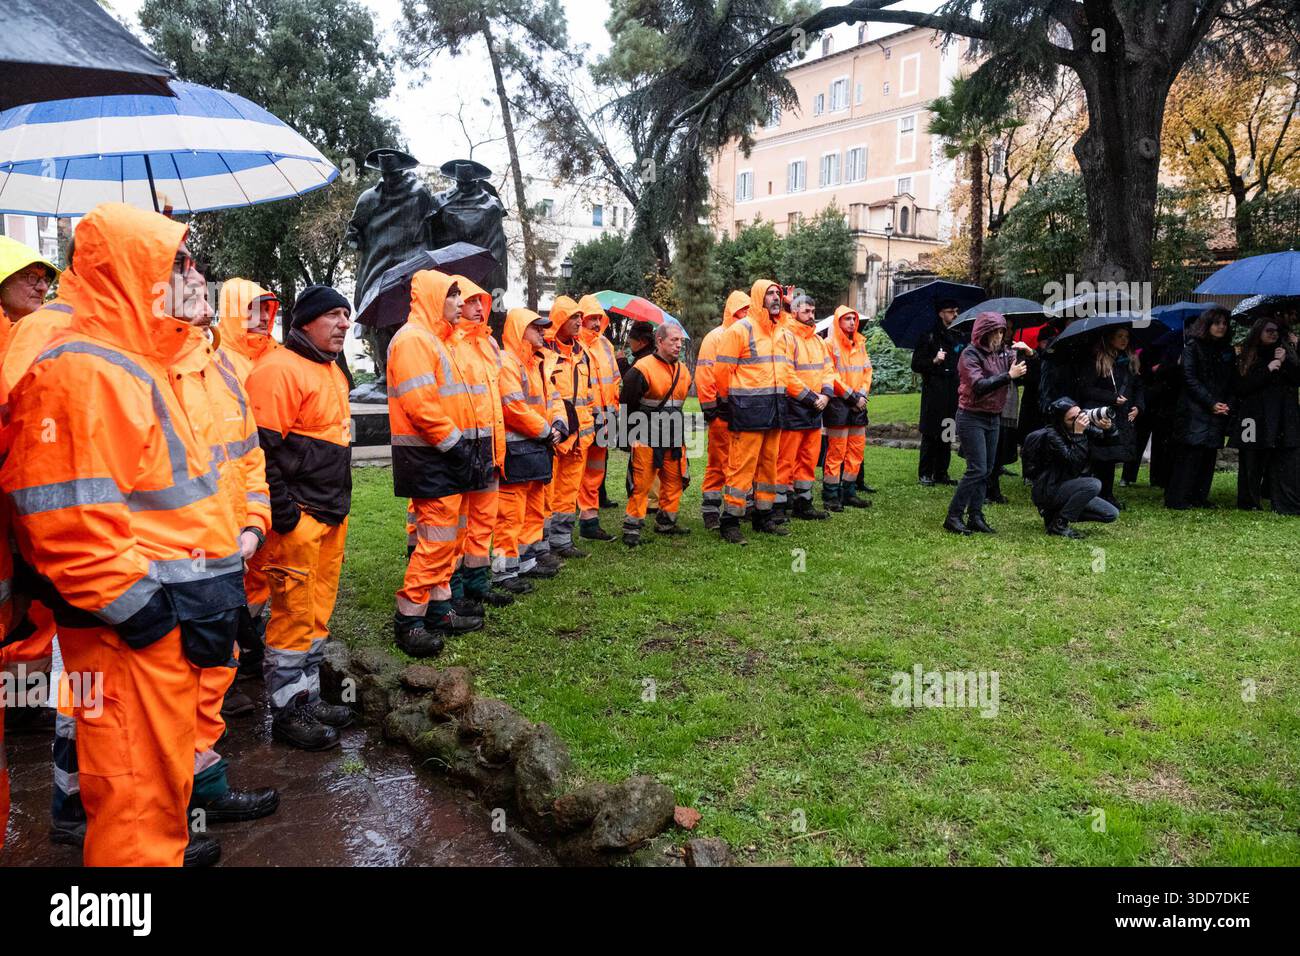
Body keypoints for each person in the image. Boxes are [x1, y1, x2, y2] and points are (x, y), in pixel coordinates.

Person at [1, 203, 246, 866]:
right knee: (136, 797)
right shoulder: (89, 371)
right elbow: (66, 519)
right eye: (178, 260)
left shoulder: (143, 363)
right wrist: (146, 616)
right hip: (133, 631)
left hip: (164, 621)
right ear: (137, 273)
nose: (195, 273)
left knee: (154, 790)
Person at [247, 284, 356, 747]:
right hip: (300, 519)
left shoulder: (332, 371)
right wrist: (286, 515)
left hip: (330, 516)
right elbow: (258, 452)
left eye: (346, 316)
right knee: (292, 614)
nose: (344, 324)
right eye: (333, 315)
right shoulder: (277, 370)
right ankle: (289, 712)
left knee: (315, 612)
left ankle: (306, 697)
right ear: (305, 321)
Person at [387, 271, 489, 658]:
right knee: (435, 543)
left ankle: (438, 610)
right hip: (430, 456)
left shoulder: (434, 339)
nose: (459, 303)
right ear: (433, 298)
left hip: (442, 455)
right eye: (453, 296)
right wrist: (457, 444)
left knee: (447, 540)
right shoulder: (414, 340)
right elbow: (421, 406)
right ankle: (409, 619)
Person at [0, 237, 61, 733]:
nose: (41, 284)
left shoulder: (32, 331)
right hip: (12, 496)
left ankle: (22, 703)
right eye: (28, 276)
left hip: (26, 497)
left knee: (33, 600)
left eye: (44, 277)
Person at [715, 279, 815, 544]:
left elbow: (787, 374)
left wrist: (808, 396)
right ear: (759, 298)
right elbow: (722, 371)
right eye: (770, 293)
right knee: (741, 468)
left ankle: (763, 517)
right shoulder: (740, 330)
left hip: (775, 410)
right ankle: (730, 521)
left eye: (777, 293)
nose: (774, 297)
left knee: (769, 468)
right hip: (748, 411)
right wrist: (728, 404)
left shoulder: (781, 333)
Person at [216, 279, 280, 681]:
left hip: (271, 477)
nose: (259, 317)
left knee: (265, 567)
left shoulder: (276, 356)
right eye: (251, 308)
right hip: (237, 483)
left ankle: (250, 638)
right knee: (234, 572)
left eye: (265, 308)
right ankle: (231, 657)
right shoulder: (220, 360)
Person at [447, 276, 512, 614]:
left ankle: (477, 581)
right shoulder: (447, 343)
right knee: (456, 523)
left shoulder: (489, 345)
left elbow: (495, 397)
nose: (475, 308)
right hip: (460, 449)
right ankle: (453, 588)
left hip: (490, 447)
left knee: (484, 519)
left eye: (480, 302)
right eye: (469, 301)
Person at [494, 308, 566, 589]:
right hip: (517, 451)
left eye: (543, 326)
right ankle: (504, 572)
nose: (543, 331)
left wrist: (559, 422)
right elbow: (513, 408)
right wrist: (548, 431)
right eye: (536, 326)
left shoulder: (537, 362)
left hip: (537, 449)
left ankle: (526, 563)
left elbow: (554, 397)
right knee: (510, 516)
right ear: (519, 330)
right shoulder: (507, 362)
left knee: (533, 512)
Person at [944, 312, 1031, 535]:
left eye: (1003, 331)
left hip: (994, 416)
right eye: (996, 331)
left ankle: (976, 515)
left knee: (988, 469)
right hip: (971, 416)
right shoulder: (969, 355)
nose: (1000, 336)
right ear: (984, 332)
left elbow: (1023, 373)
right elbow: (979, 385)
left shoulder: (1003, 353)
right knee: (977, 469)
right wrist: (1009, 376)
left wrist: (1030, 354)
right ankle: (953, 516)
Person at [619, 321, 693, 545]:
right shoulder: (642, 368)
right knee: (641, 483)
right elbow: (626, 405)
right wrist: (625, 437)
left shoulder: (684, 371)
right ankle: (632, 529)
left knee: (675, 481)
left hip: (673, 436)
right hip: (646, 436)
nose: (679, 345)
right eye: (674, 340)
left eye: (681, 341)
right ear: (659, 341)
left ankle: (667, 522)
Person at [776, 293, 839, 521]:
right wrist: (813, 397)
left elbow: (828, 369)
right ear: (794, 312)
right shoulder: (786, 337)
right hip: (795, 406)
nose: (811, 315)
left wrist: (826, 395)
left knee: (809, 458)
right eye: (806, 311)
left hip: (814, 408)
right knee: (786, 459)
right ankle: (779, 507)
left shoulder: (817, 341)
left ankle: (804, 503)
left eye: (813, 311)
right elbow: (786, 374)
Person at [544, 296, 598, 558]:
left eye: (580, 317)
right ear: (559, 320)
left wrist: (593, 422)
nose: (579, 321)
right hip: (554, 436)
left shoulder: (583, 353)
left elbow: (590, 394)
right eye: (573, 317)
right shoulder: (543, 352)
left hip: (580, 437)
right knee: (546, 492)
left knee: (568, 491)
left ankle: (562, 541)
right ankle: (541, 546)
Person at [1165, 307, 1234, 510]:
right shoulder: (1193, 347)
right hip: (1195, 409)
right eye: (1217, 323)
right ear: (1207, 325)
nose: (1221, 327)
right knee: (1189, 455)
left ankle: (1199, 496)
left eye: (1224, 323)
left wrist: (1223, 404)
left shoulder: (1226, 350)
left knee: (1208, 456)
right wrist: (1211, 403)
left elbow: (1230, 380)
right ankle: (1178, 497)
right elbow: (1189, 379)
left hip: (1216, 408)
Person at [1230, 316, 1300, 514]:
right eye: (1268, 330)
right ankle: (1248, 501)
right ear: (1258, 332)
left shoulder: (1286, 353)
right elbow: (1241, 387)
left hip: (1281, 415)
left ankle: (1284, 502)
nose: (1273, 333)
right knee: (1251, 460)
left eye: (1276, 330)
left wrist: (1284, 362)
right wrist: (1268, 369)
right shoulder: (1246, 356)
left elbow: (1296, 380)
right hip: (1252, 416)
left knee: (1283, 460)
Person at [1071, 326, 1144, 509]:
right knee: (1098, 456)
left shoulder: (1129, 361)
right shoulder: (1097, 360)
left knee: (1111, 457)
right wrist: (1111, 398)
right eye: (1119, 336)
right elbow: (1086, 389)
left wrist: (1138, 406)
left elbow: (1138, 386)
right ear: (1110, 338)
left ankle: (1107, 494)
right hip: (1101, 414)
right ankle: (1091, 493)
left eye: (1126, 337)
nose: (1123, 340)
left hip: (1121, 416)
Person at [1028, 398, 1121, 538]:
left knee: (1111, 514)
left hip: (1069, 487)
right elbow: (1073, 461)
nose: (1078, 420)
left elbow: (1110, 441)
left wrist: (1109, 429)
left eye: (1080, 414)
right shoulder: (1051, 436)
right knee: (1093, 484)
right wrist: (1079, 435)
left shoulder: (1077, 427)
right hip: (1049, 489)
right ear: (1060, 421)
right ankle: (1059, 524)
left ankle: (1054, 515)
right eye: (1072, 418)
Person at [697, 291, 749, 529]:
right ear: (733, 311)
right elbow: (706, 376)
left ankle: (736, 506)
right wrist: (712, 410)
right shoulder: (715, 337)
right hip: (722, 411)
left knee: (740, 462)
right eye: (743, 310)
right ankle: (710, 510)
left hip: (743, 411)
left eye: (749, 310)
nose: (747, 314)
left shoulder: (748, 335)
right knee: (718, 462)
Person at [576, 294, 620, 541]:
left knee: (595, 472)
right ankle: (558, 528)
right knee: (574, 473)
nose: (595, 323)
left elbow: (614, 380)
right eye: (590, 318)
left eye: (598, 318)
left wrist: (613, 412)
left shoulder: (605, 345)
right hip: (584, 419)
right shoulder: (573, 346)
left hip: (605, 418)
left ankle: (589, 523)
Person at [822, 306, 873, 512]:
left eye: (854, 318)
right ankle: (831, 495)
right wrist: (853, 396)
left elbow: (867, 371)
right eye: (847, 319)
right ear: (838, 321)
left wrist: (862, 394)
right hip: (838, 403)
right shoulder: (829, 344)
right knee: (836, 452)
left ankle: (849, 492)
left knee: (856, 450)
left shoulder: (860, 344)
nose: (852, 322)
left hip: (857, 403)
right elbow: (830, 375)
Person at [912, 299, 963, 486]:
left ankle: (942, 472)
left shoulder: (958, 335)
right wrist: (934, 361)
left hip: (953, 390)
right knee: (931, 432)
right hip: (934, 391)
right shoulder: (929, 336)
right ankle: (925, 472)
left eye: (956, 311)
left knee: (947, 432)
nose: (955, 315)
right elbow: (916, 364)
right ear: (941, 313)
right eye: (951, 311)